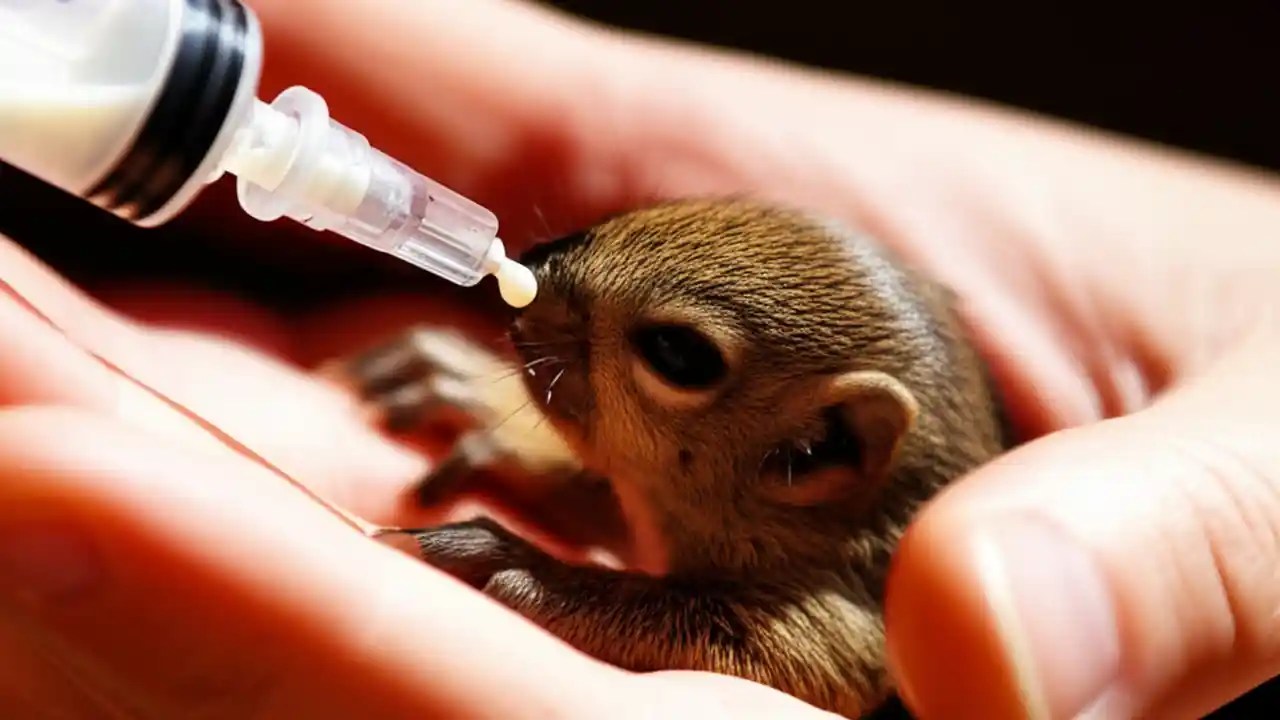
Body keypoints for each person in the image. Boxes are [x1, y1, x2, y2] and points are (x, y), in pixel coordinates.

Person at [1, 0, 1277, 717]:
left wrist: (553, 587)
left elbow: (792, 647)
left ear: (817, 450)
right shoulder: (737, 477)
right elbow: (648, 484)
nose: (531, 316)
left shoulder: (841, 584)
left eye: (672, 354)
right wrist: (520, 442)